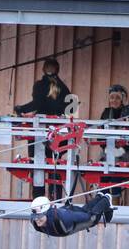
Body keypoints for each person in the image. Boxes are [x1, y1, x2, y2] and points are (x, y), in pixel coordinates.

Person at [15, 58, 72, 199]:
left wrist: (21, 109)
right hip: (58, 134)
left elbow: (38, 104)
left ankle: (38, 201)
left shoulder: (41, 85)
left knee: (38, 165)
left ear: (43, 69)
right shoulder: (64, 88)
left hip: (41, 133)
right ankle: (56, 200)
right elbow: (71, 107)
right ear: (57, 70)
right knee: (55, 166)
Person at [29, 191, 114, 237]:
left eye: (39, 216)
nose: (36, 219)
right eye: (34, 216)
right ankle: (99, 197)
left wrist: (90, 215)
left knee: (91, 218)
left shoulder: (63, 218)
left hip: (69, 217)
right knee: (84, 210)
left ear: (46, 213)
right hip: (67, 215)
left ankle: (106, 199)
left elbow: (87, 216)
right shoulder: (35, 222)